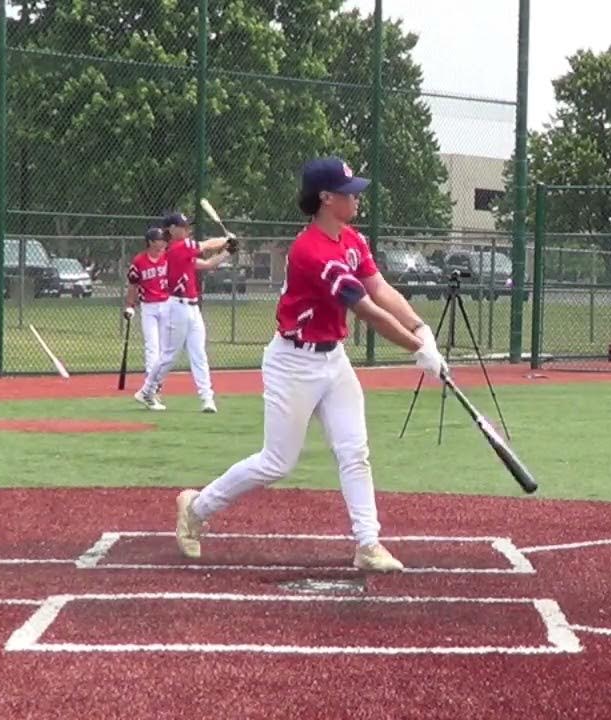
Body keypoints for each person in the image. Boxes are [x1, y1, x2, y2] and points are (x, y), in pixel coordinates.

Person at [172, 156, 448, 573]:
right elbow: (367, 310)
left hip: (332, 359)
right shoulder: (312, 252)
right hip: (293, 364)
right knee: (277, 462)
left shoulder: (352, 240)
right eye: (348, 193)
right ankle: (196, 508)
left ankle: (368, 544)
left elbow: (380, 288)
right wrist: (416, 349)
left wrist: (421, 328)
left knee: (355, 451)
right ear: (325, 198)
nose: (356, 199)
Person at [135, 211, 235, 413]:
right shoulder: (177, 247)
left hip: (192, 307)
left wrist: (228, 252)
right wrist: (227, 239)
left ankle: (207, 399)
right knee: (169, 356)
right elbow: (206, 245)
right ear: (171, 229)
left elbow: (206, 264)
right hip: (177, 307)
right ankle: (147, 390)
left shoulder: (182, 250)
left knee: (199, 354)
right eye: (183, 226)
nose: (187, 229)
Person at [123, 227, 170, 410]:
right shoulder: (139, 261)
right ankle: (150, 390)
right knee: (152, 347)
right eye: (159, 239)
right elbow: (133, 286)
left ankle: (155, 388)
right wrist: (129, 306)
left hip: (167, 305)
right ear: (151, 242)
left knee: (166, 349)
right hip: (149, 307)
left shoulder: (168, 257)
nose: (163, 242)